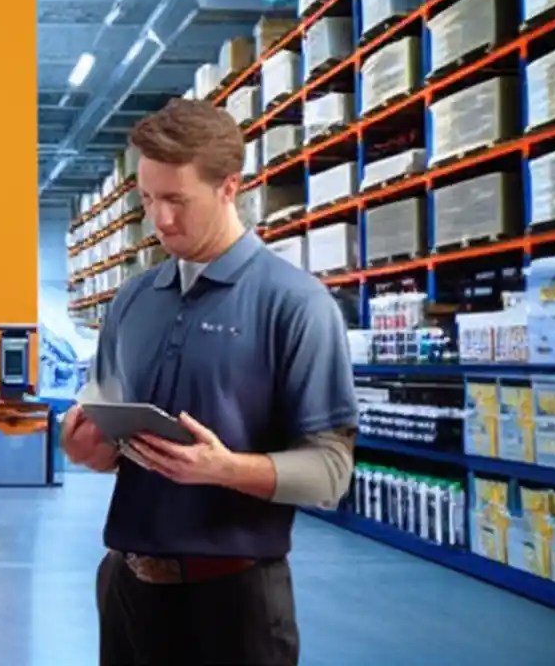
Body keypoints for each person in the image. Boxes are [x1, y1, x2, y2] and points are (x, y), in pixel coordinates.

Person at [61, 98, 358, 666]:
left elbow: (331, 472)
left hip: (235, 602)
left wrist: (226, 470)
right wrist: (83, 446)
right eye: (148, 199)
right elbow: (106, 436)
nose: (160, 220)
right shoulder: (132, 300)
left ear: (229, 187)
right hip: (125, 588)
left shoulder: (294, 303)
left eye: (177, 200)